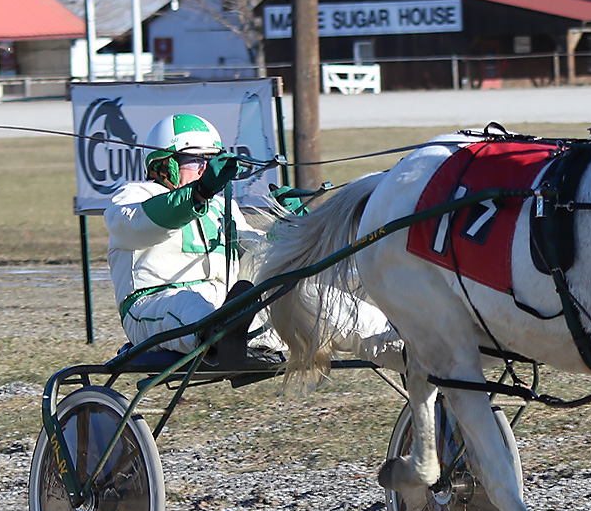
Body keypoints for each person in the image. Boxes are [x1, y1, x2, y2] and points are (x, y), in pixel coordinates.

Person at [106, 113, 402, 369]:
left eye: (210, 160)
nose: (205, 168)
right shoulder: (134, 196)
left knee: (313, 296)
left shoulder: (221, 207)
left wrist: (290, 227)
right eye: (195, 159)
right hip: (152, 308)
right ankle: (224, 333)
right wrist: (198, 194)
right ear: (165, 164)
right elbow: (140, 224)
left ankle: (403, 348)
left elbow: (255, 252)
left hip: (231, 310)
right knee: (192, 303)